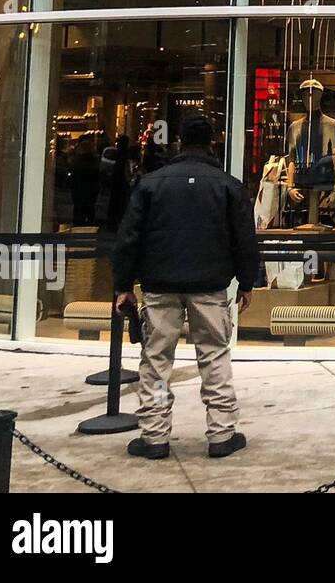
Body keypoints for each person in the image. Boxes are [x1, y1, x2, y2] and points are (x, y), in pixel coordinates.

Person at [112, 116, 259, 461]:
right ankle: (222, 433)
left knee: (157, 361)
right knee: (215, 356)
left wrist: (123, 285)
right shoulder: (228, 185)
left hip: (159, 286)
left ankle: (155, 434)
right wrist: (247, 281)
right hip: (210, 285)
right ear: (212, 143)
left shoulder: (150, 183)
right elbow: (244, 239)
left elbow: (128, 238)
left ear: (179, 141)